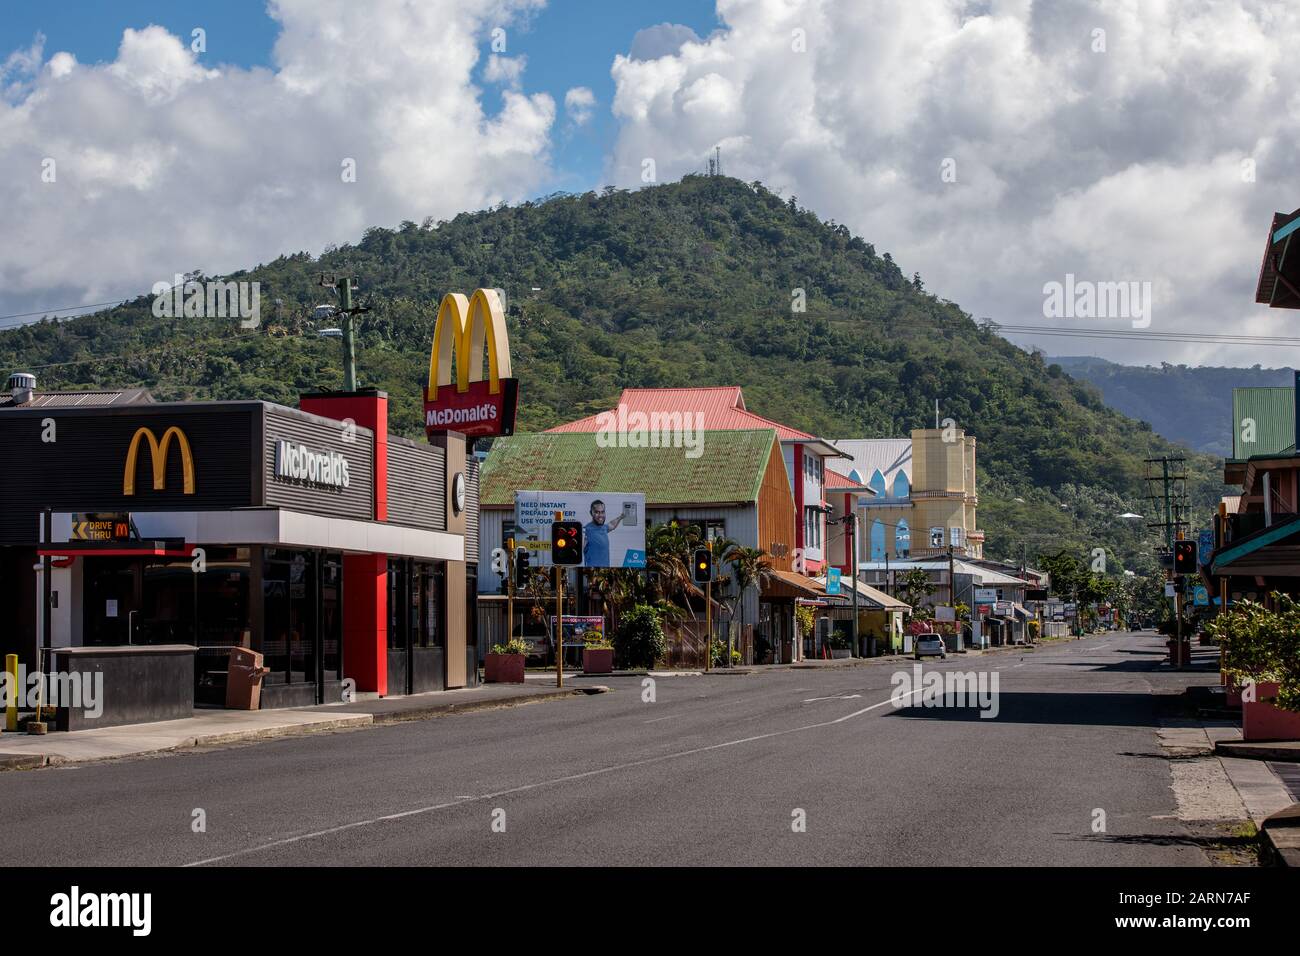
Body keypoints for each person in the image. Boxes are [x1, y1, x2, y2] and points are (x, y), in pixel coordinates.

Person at [583, 499, 623, 567]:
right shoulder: (586, 530)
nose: (600, 515)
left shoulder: (604, 528)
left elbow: (612, 525)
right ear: (591, 513)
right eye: (597, 512)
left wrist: (621, 517)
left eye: (602, 512)